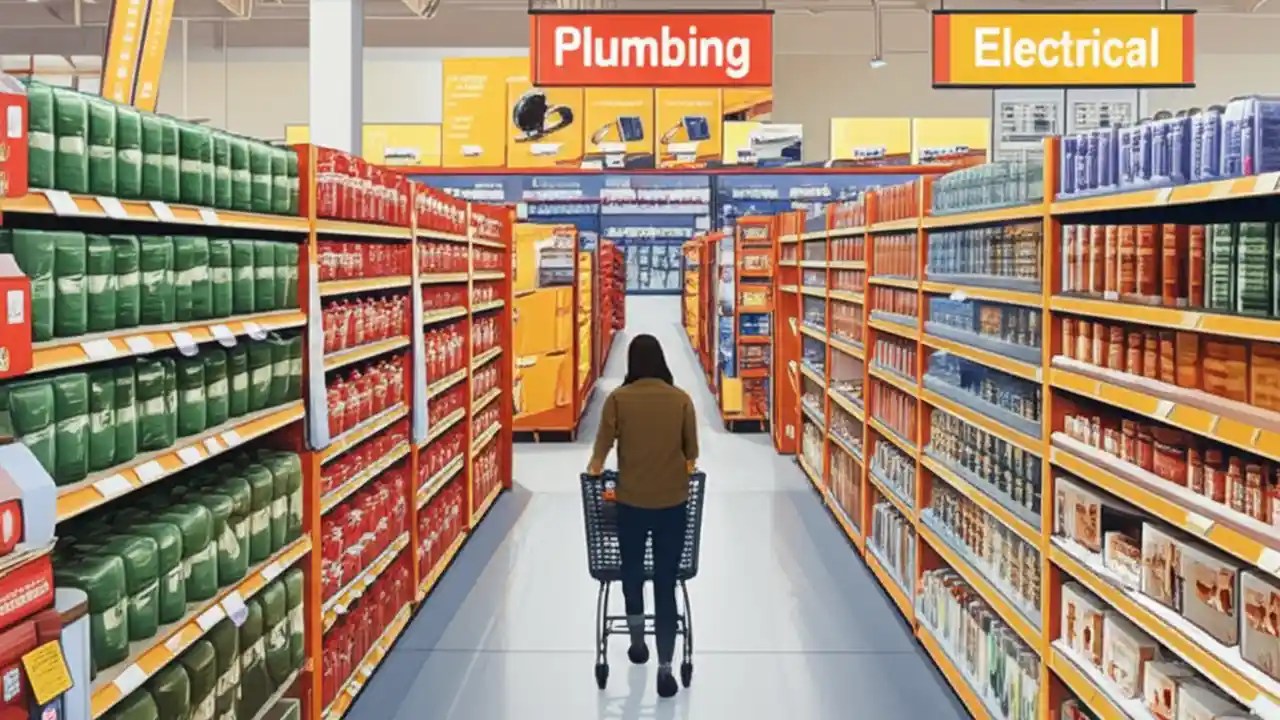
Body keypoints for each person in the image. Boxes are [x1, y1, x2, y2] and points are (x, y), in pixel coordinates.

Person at [587, 333, 699, 699]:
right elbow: (691, 455)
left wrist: (595, 469)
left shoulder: (618, 399)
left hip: (631, 504)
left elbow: (602, 445)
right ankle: (666, 667)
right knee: (666, 581)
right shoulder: (681, 400)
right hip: (673, 505)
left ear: (632, 364)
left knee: (632, 572)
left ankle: (638, 644)